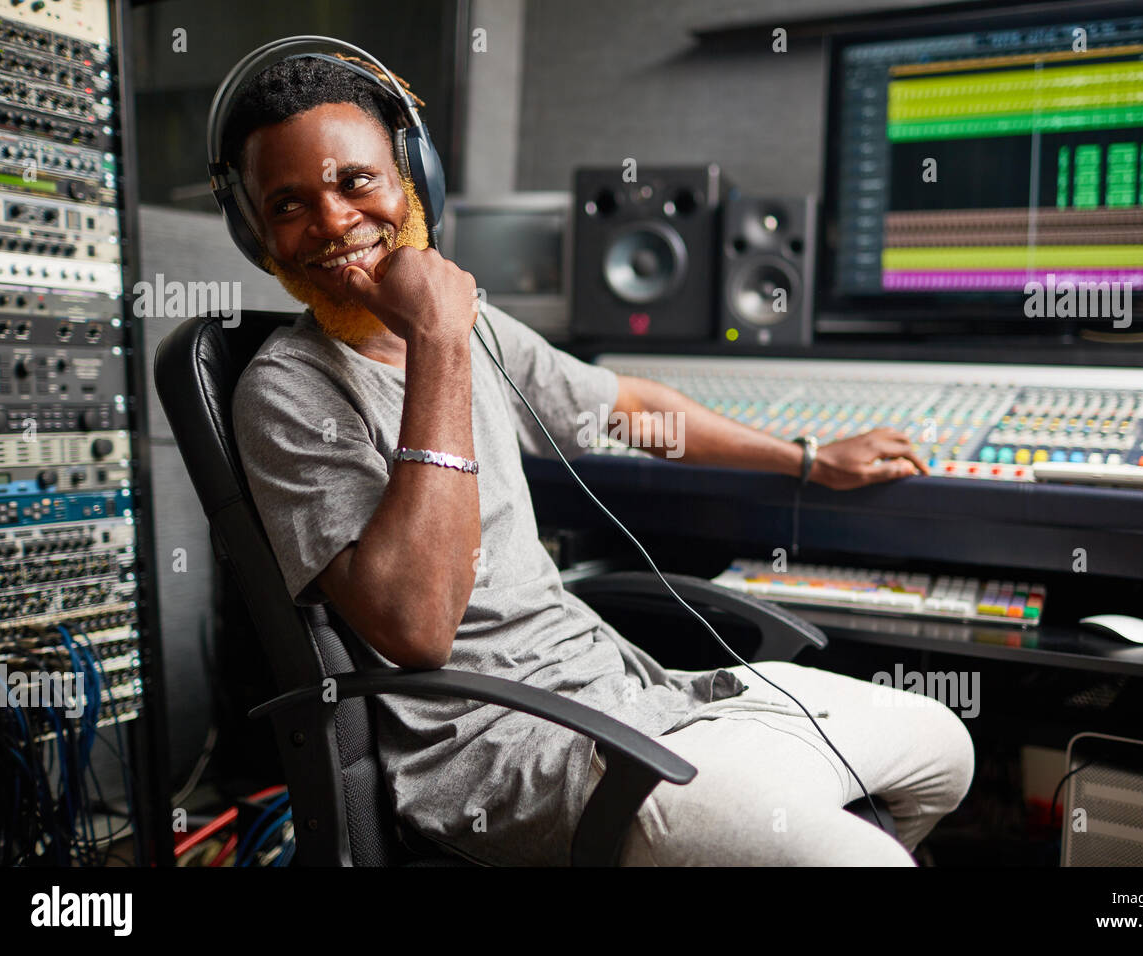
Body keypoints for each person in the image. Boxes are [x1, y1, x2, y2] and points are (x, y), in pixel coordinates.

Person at [225, 51, 974, 866]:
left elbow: (631, 410)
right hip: (500, 757)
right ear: (256, 234)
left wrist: (808, 458)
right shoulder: (288, 391)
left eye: (356, 183)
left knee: (942, 748)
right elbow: (417, 629)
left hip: (632, 696)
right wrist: (436, 337)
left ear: (415, 183)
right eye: (289, 204)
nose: (332, 221)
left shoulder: (477, 327)